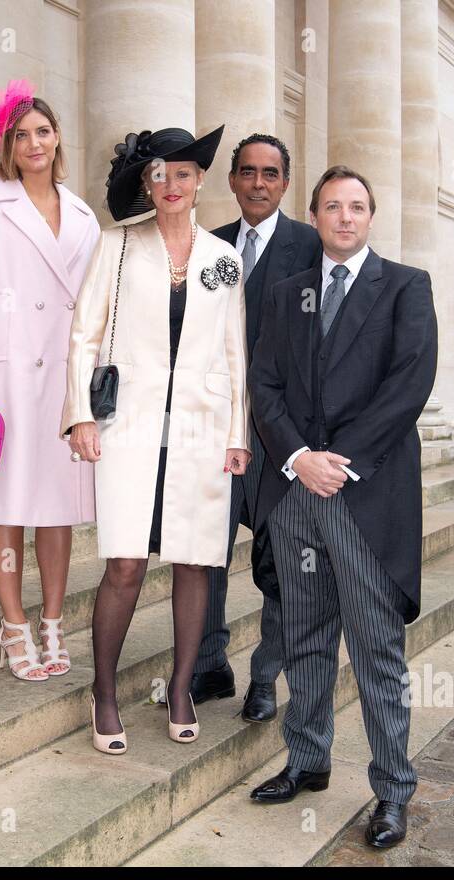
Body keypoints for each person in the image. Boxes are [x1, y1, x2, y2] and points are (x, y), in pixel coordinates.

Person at [247, 165, 437, 850]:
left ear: (371, 215)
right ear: (317, 214)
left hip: (366, 496)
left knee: (376, 648)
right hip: (296, 493)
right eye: (333, 206)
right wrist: (299, 458)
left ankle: (392, 790)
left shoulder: (406, 288)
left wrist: (339, 462)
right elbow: (263, 383)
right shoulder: (287, 292)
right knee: (305, 636)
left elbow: (408, 385)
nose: (345, 217)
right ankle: (307, 759)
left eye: (357, 206)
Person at [61, 125, 250, 755]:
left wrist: (235, 433)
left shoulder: (223, 258)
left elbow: (234, 351)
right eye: (161, 174)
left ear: (200, 183)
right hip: (130, 426)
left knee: (195, 560)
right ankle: (105, 692)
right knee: (124, 564)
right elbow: (85, 335)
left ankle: (179, 688)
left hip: (199, 428)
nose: (172, 184)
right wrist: (80, 415)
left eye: (185, 173)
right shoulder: (116, 247)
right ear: (149, 182)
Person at [0, 81, 100, 681]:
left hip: (65, 383)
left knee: (58, 510)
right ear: (7, 146)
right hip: (8, 380)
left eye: (42, 131)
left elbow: (93, 309)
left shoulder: (85, 215)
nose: (33, 142)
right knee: (7, 506)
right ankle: (13, 623)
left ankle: (54, 620)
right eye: (20, 134)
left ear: (57, 137)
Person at [197, 133, 321, 722]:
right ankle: (207, 664)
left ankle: (265, 677)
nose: (257, 183)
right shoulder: (209, 247)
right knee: (205, 551)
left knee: (279, 566)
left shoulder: (312, 246)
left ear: (285, 184)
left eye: (269, 173)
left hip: (282, 437)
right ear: (232, 180)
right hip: (217, 432)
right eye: (247, 172)